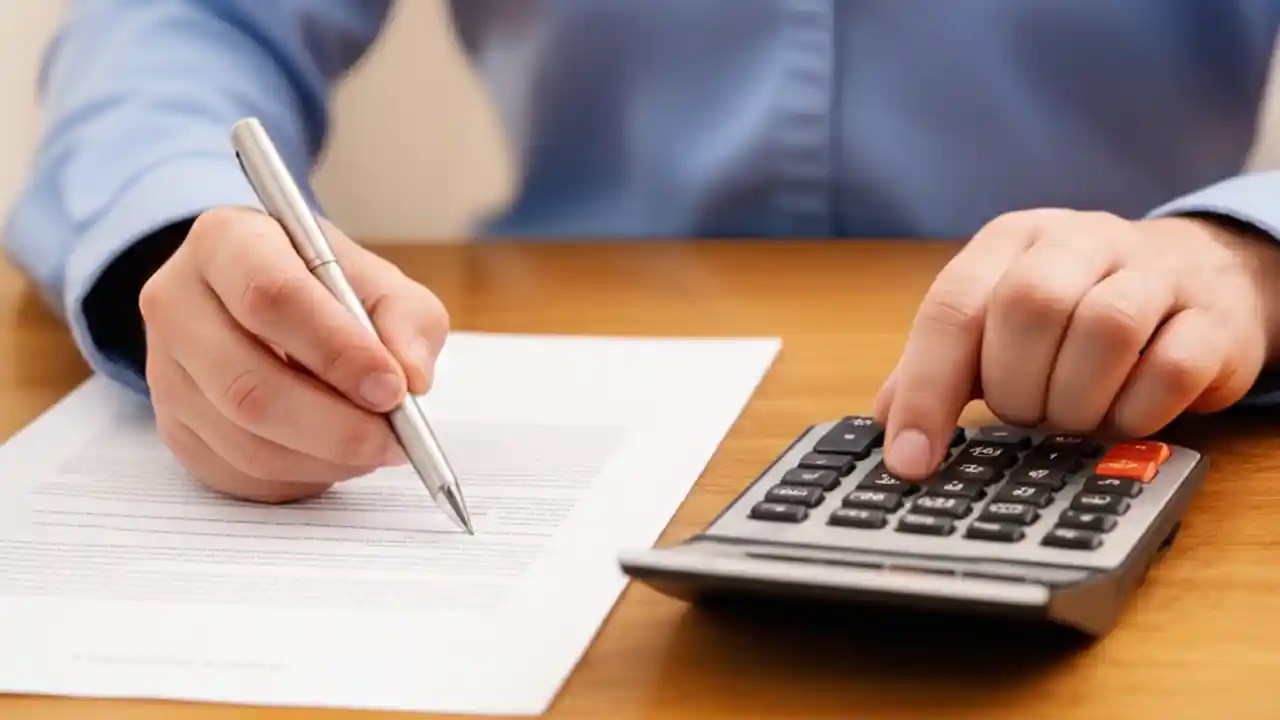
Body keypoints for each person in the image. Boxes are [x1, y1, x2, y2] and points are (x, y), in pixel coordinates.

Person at [7, 1, 1280, 503]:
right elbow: (176, 26)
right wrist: (177, 227)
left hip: (1133, 400)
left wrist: (1245, 250)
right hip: (568, 377)